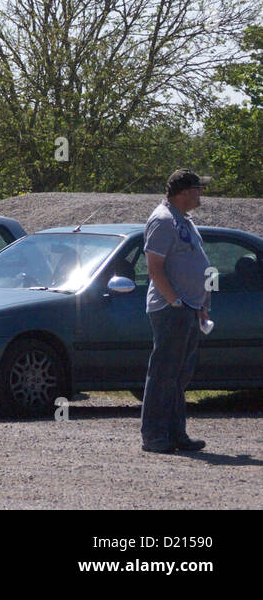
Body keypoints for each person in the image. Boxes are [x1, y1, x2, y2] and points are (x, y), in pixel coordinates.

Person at [140, 169, 212, 453]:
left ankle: (175, 433)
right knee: (163, 374)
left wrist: (201, 305)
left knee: (179, 375)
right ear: (183, 192)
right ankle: (154, 436)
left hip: (189, 308)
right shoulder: (162, 220)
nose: (200, 194)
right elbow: (154, 267)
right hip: (171, 309)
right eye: (197, 188)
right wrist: (175, 302)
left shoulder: (184, 220)